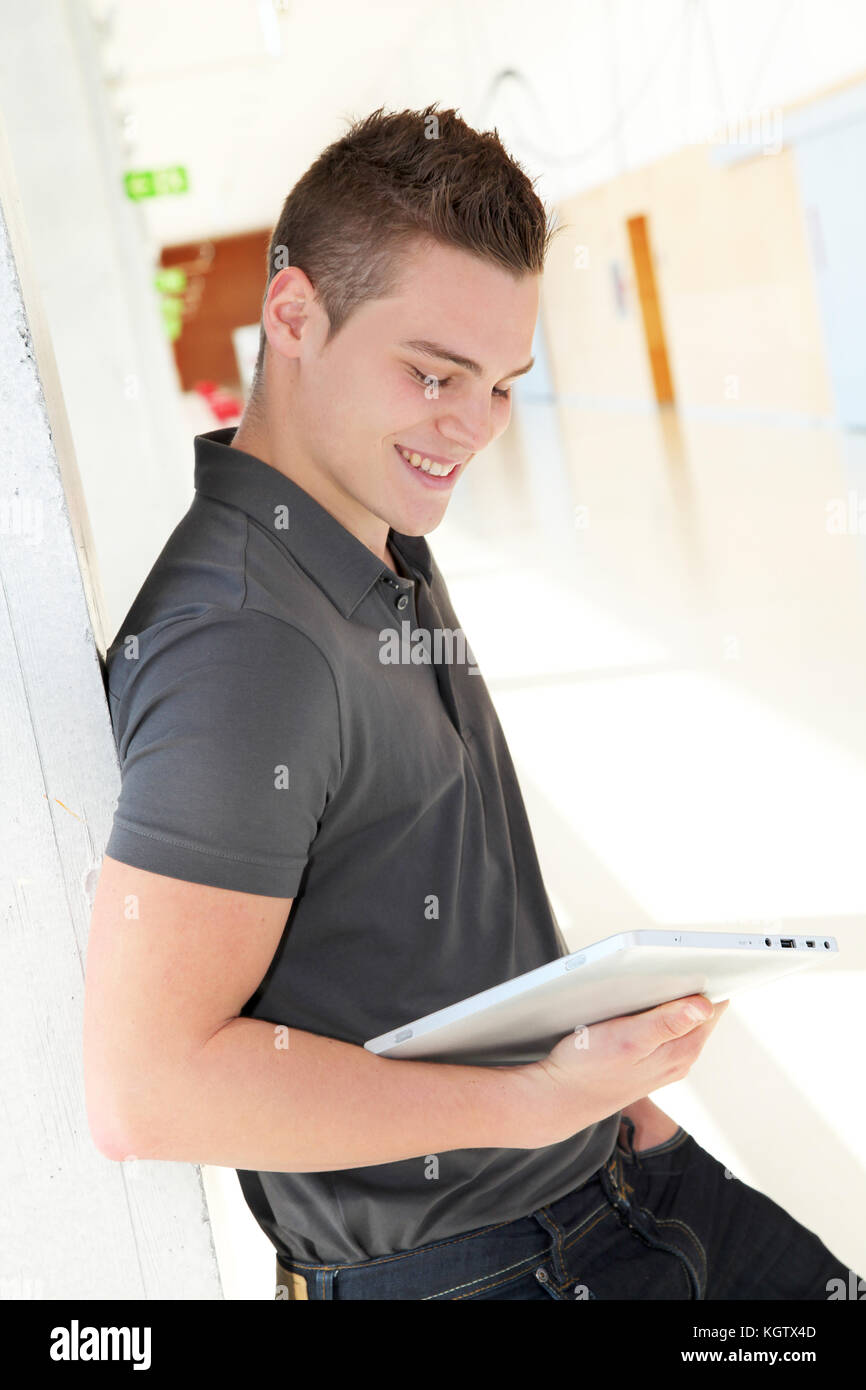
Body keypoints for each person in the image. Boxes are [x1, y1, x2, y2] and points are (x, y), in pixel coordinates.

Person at [83, 104, 858, 1301]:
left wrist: (617, 1109)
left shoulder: (372, 529)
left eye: (500, 384)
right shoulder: (241, 644)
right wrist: (539, 1101)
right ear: (291, 314)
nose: (472, 427)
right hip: (488, 1274)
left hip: (608, 1179)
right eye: (434, 373)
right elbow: (149, 1087)